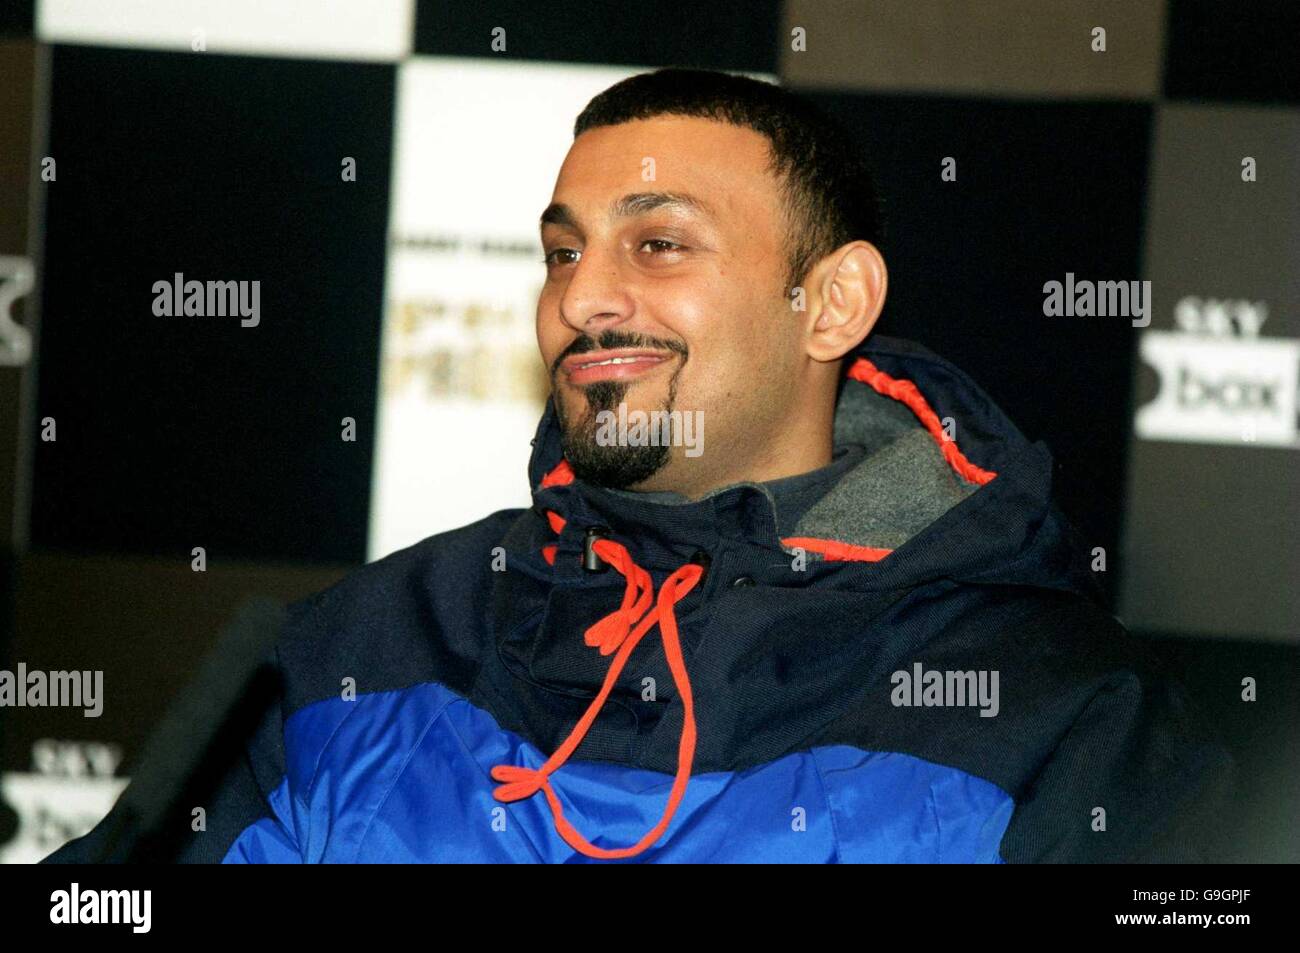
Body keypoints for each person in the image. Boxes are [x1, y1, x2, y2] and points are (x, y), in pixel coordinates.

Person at [47, 68, 1231, 863]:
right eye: (562, 251)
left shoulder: (1067, 712)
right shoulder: (358, 642)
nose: (583, 295)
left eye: (657, 244)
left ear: (831, 303)